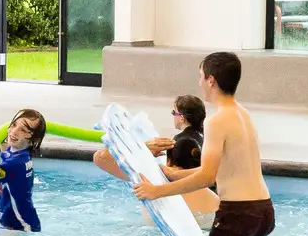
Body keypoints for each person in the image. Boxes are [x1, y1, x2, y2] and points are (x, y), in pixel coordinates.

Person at [134, 53, 271, 236]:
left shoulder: (216, 121)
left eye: (200, 76)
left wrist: (157, 191)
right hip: (263, 211)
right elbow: (225, 169)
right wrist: (173, 174)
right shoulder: (244, 115)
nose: (199, 83)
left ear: (211, 80)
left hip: (238, 214)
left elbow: (207, 177)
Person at [91, 94, 219, 220]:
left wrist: (143, 149)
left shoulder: (152, 186)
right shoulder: (215, 195)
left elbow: (101, 157)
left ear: (169, 160)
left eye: (173, 113)